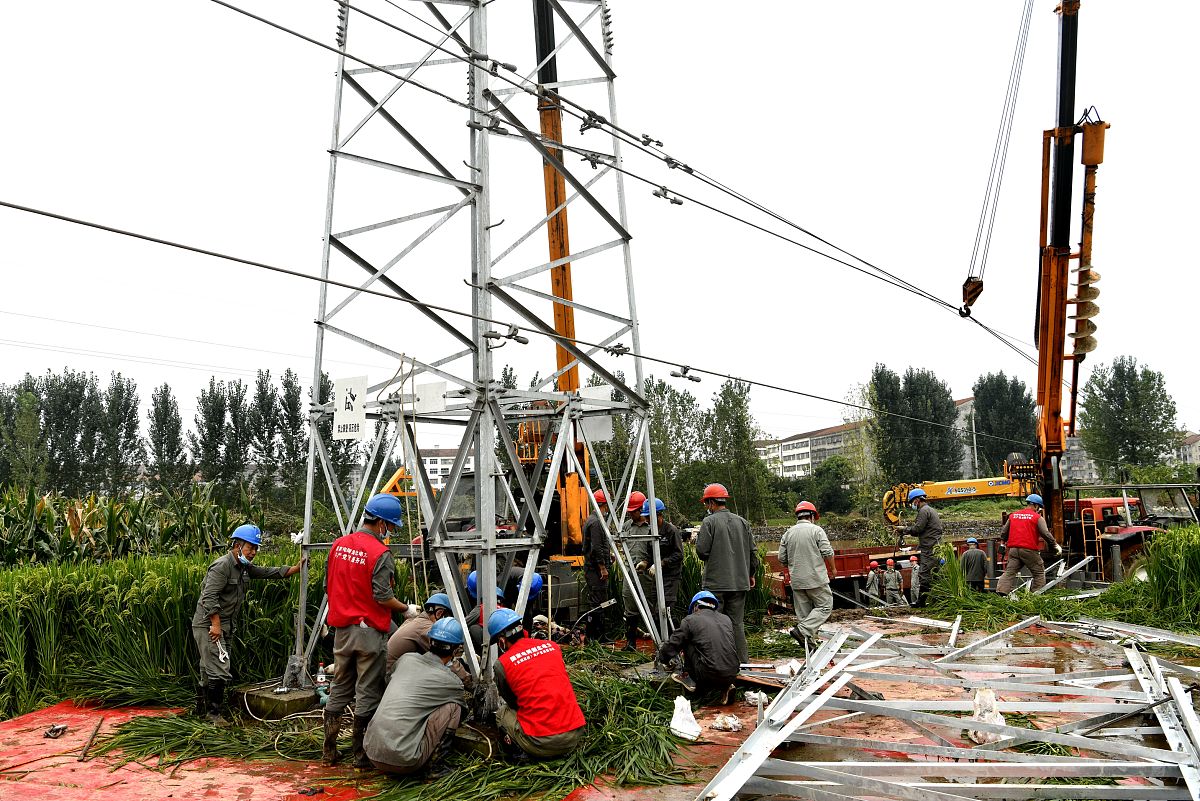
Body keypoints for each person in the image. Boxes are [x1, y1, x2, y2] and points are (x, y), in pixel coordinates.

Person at [323, 494, 419, 767]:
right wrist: (405, 609)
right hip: (369, 633)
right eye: (390, 526)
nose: (390, 532)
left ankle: (329, 751)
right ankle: (360, 755)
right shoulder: (380, 554)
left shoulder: (339, 545)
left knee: (340, 686)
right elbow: (382, 596)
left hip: (342, 630)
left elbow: (329, 586)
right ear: (380, 523)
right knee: (368, 690)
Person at [191, 524, 301, 726]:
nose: (254, 553)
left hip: (226, 625)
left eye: (256, 548)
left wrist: (294, 570)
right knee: (219, 668)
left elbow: (266, 572)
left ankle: (202, 710)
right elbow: (209, 596)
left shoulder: (243, 568)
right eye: (251, 547)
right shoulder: (222, 566)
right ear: (237, 545)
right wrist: (215, 624)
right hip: (210, 625)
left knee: (209, 668)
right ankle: (214, 715)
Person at [365, 618, 467, 777]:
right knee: (454, 707)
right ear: (455, 650)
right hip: (405, 760)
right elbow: (464, 713)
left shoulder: (406, 659)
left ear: (430, 640)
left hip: (372, 752)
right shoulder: (451, 682)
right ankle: (436, 767)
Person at [488, 608, 587, 760]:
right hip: (574, 735)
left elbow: (512, 702)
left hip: (541, 742)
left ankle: (519, 755)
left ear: (501, 641)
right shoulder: (552, 646)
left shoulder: (503, 664)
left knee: (502, 713)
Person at [695, 483, 758, 664]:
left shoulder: (709, 522)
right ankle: (742, 663)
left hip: (715, 584)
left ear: (711, 503)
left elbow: (702, 551)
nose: (707, 507)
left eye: (707, 503)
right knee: (736, 625)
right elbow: (753, 554)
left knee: (713, 624)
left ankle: (716, 663)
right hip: (739, 583)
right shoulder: (742, 522)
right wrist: (750, 574)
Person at [655, 591, 739, 702]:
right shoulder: (726, 619)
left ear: (695, 607)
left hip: (706, 675)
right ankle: (726, 686)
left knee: (686, 639)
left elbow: (674, 643)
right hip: (733, 673)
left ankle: (688, 677)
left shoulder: (690, 620)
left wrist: (663, 658)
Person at [777, 501, 835, 649]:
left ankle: (810, 647)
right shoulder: (817, 531)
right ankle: (801, 631)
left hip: (797, 581)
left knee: (804, 615)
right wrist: (833, 569)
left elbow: (781, 559)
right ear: (812, 516)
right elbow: (827, 552)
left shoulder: (788, 533)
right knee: (825, 606)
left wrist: (793, 565)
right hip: (816, 578)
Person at [995, 494, 1062, 594]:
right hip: (1028, 550)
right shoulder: (1037, 518)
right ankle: (1036, 594)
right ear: (1036, 505)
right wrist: (1055, 545)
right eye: (1038, 507)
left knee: (1009, 573)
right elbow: (1045, 533)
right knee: (1039, 573)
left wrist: (1002, 544)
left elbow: (1004, 532)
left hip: (1013, 550)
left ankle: (1002, 592)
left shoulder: (1013, 516)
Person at [640, 497, 685, 622]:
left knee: (666, 609)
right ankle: (661, 638)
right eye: (646, 517)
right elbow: (650, 553)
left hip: (670, 577)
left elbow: (679, 554)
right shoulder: (651, 532)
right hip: (657, 577)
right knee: (656, 610)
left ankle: (673, 638)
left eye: (649, 517)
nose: (647, 520)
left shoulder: (671, 531)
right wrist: (645, 562)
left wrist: (662, 563)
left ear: (658, 515)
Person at [386, 592, 453, 674]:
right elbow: (445, 656)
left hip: (391, 673)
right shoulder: (427, 628)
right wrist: (469, 680)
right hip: (392, 676)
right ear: (439, 613)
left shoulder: (413, 621)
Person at [898, 489, 943, 608]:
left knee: (924, 575)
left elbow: (918, 529)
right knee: (935, 574)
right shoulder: (931, 510)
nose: (912, 504)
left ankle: (921, 602)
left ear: (917, 500)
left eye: (912, 502)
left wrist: (904, 529)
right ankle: (936, 601)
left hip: (930, 548)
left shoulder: (923, 511)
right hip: (935, 546)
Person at [582, 490, 613, 641]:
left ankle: (594, 636)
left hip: (593, 569)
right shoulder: (596, 522)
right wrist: (602, 566)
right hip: (595, 570)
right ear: (604, 505)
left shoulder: (593, 520)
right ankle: (597, 637)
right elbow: (596, 548)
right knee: (599, 603)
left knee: (598, 601)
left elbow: (599, 545)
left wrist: (609, 555)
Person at [620, 490, 649, 651]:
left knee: (652, 606)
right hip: (630, 574)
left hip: (648, 575)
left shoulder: (651, 526)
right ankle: (631, 642)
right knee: (630, 607)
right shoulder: (626, 526)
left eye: (633, 511)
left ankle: (660, 643)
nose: (631, 515)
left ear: (641, 509)